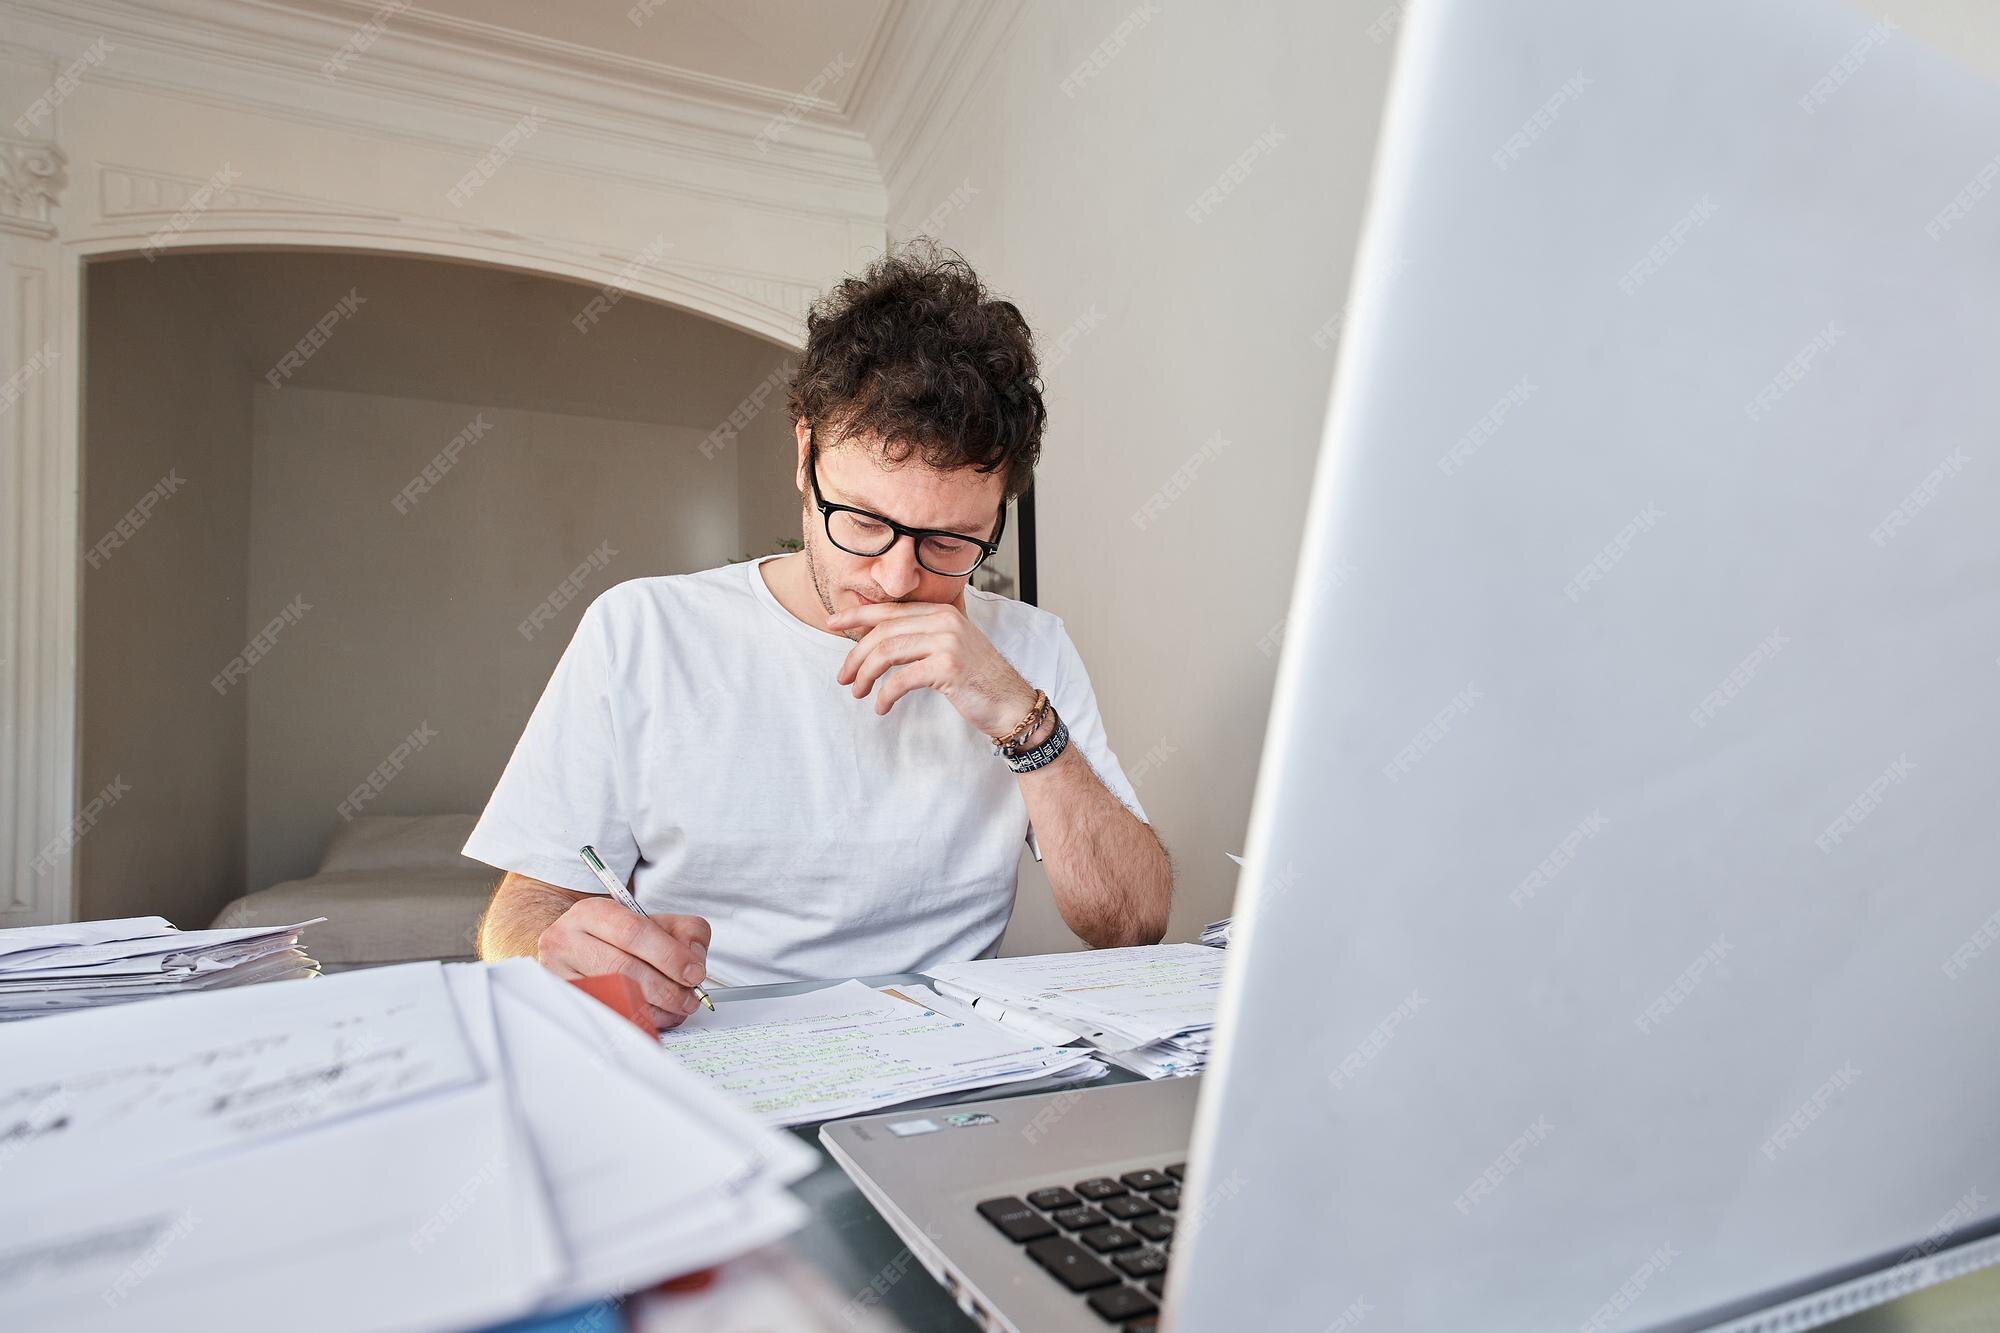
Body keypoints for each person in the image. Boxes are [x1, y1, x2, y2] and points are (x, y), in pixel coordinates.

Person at [467, 242, 1171, 1028]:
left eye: (948, 542)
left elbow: (1133, 923)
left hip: (952, 1074)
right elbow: (517, 918)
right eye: (866, 521)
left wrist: (1020, 717)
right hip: (711, 1050)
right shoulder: (642, 631)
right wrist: (557, 950)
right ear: (805, 454)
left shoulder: (1033, 652)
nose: (900, 578)